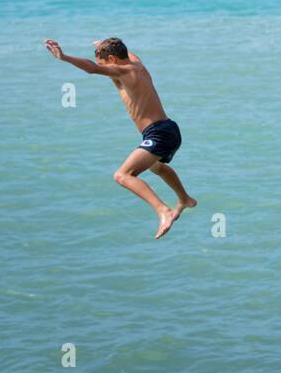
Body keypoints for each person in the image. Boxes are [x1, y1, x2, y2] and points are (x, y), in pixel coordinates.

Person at [44, 37, 196, 239]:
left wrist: (63, 57)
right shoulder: (135, 62)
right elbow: (121, 52)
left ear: (113, 59)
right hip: (168, 129)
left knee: (123, 175)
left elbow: (91, 68)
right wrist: (103, 45)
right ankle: (184, 198)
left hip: (159, 133)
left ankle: (163, 210)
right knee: (157, 167)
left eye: (104, 64)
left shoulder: (125, 71)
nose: (103, 69)